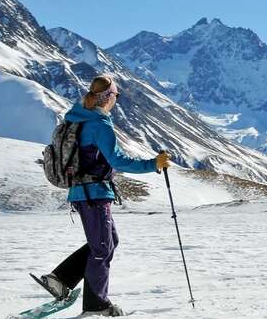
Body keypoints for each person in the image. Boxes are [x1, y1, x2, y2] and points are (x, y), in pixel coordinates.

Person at [32, 74, 171, 316]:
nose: (117, 99)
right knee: (102, 248)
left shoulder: (76, 119)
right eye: (116, 95)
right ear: (108, 97)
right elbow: (118, 160)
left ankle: (61, 279)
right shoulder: (99, 125)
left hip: (81, 192)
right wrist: (153, 164)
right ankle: (96, 305)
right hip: (93, 193)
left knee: (107, 242)